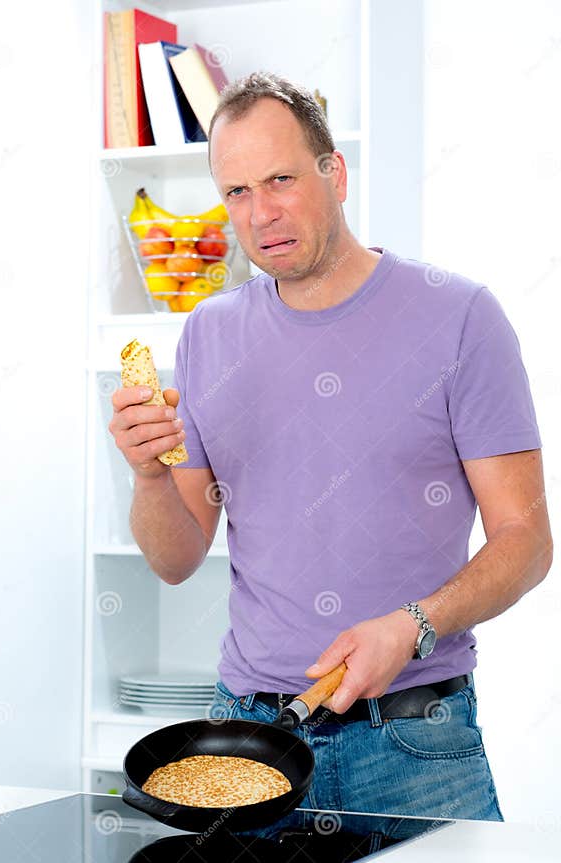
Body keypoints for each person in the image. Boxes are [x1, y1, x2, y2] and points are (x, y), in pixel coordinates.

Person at [109, 73, 552, 834]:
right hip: (247, 736)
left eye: (281, 179)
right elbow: (175, 558)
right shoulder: (209, 333)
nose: (261, 213)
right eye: (237, 191)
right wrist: (149, 476)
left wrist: (412, 624)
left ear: (334, 174)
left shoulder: (460, 316)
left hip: (415, 740)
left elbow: (527, 539)